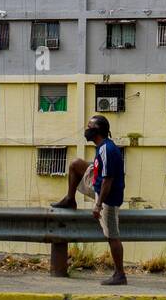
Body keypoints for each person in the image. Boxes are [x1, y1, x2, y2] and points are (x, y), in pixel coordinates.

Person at [51, 115, 126, 285]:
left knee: (112, 236)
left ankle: (120, 274)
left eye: (89, 127)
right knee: (76, 164)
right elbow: (101, 173)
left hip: (108, 197)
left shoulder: (106, 149)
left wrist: (98, 205)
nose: (86, 129)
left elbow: (108, 180)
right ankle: (70, 199)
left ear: (97, 131)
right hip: (98, 183)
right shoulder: (102, 147)